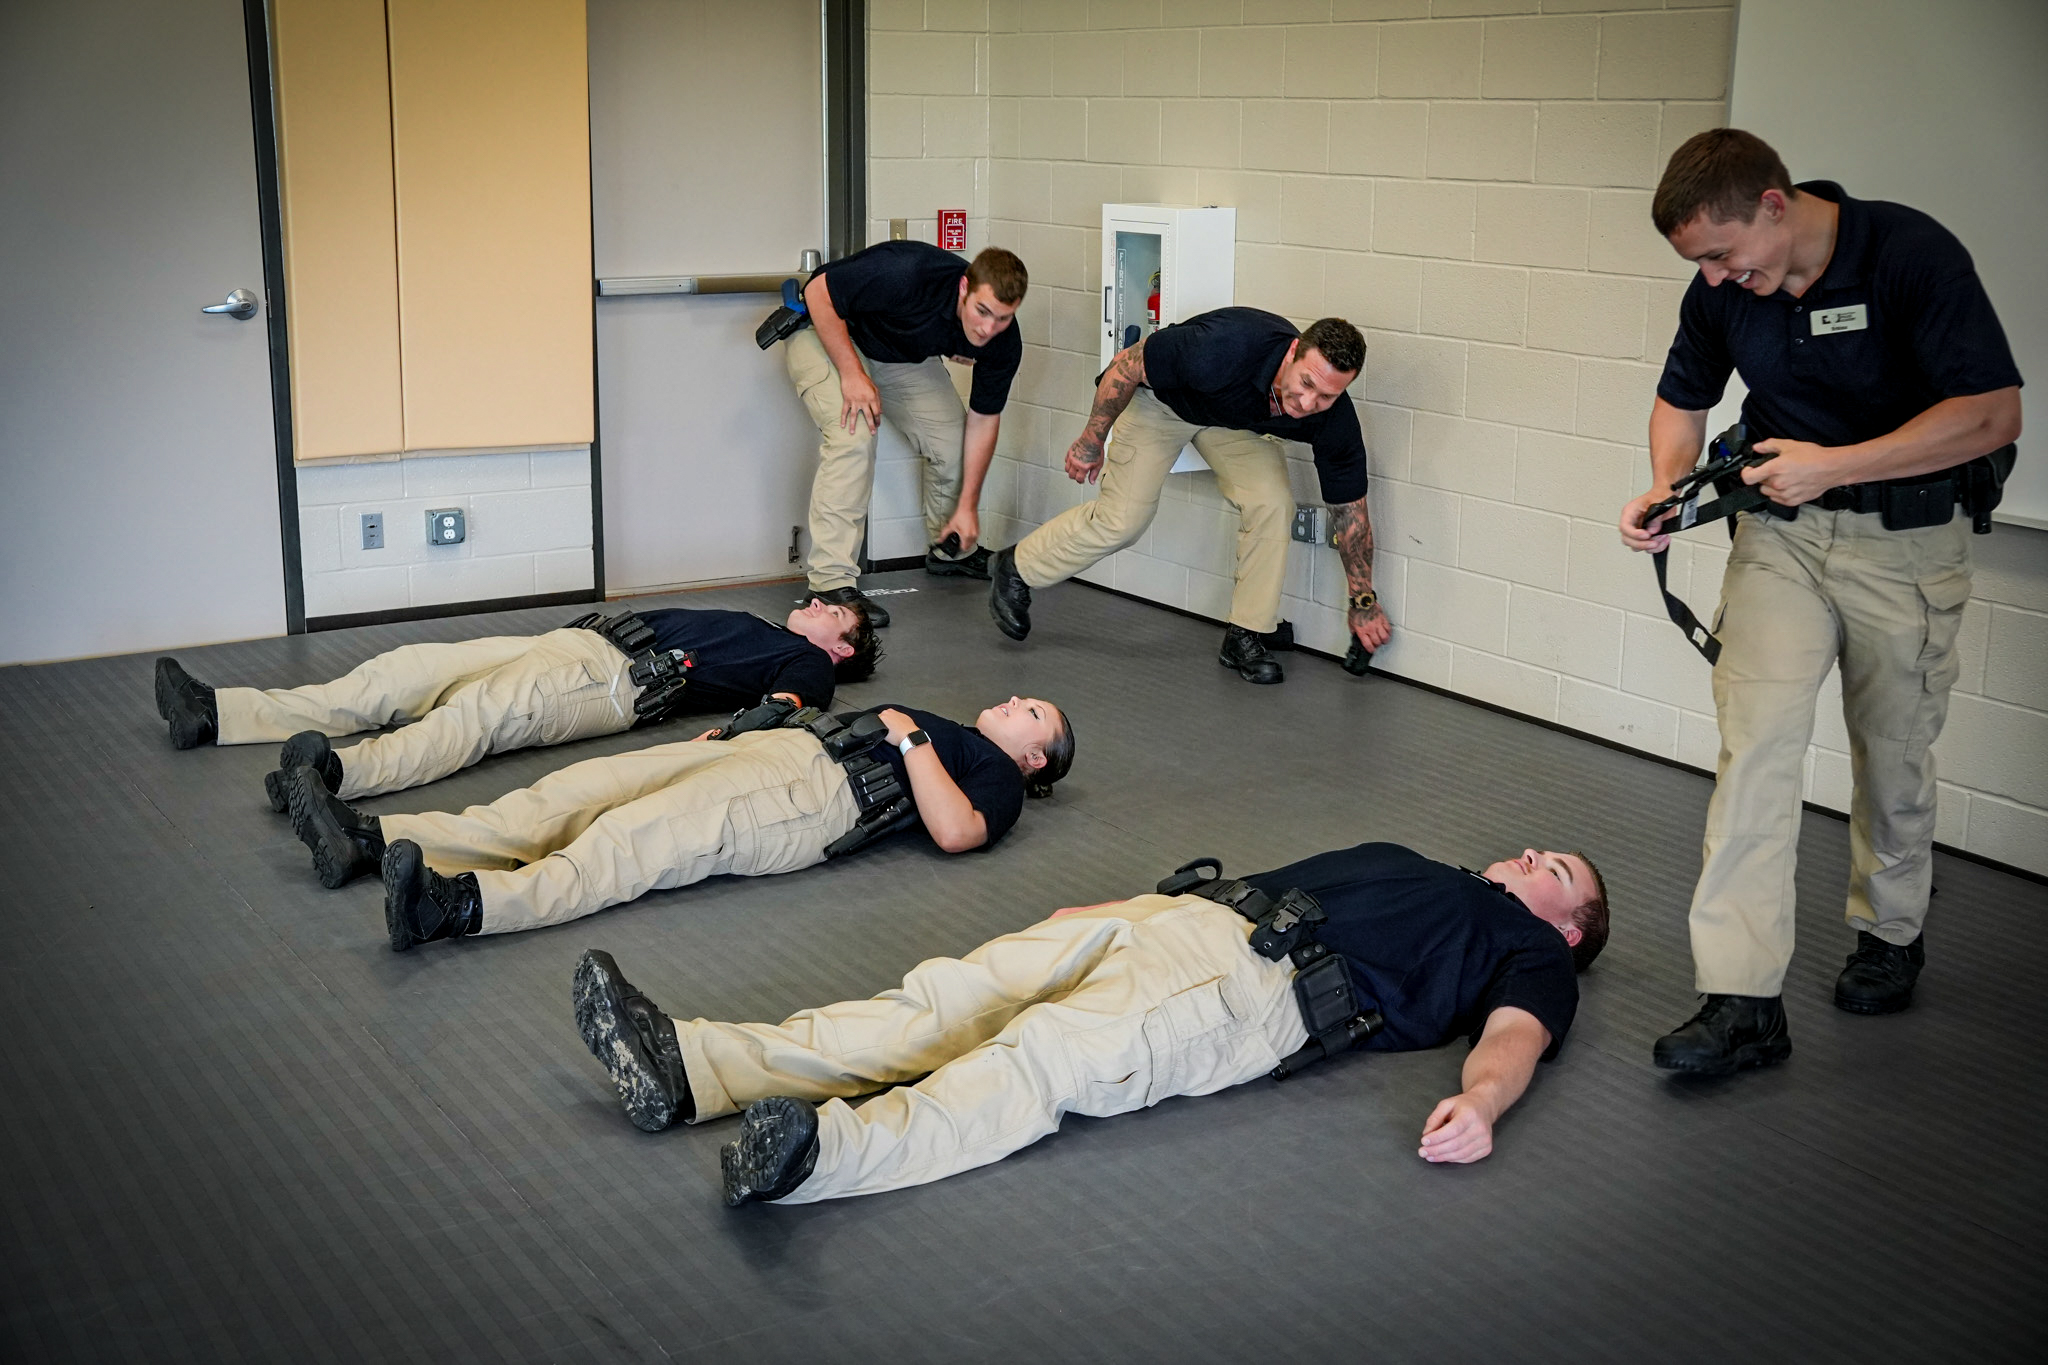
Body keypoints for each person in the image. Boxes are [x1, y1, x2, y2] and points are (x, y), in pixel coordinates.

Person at [1618, 129, 2023, 1074]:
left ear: (1773, 203)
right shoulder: (1721, 290)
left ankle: (1890, 930)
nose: (1715, 279)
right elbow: (1682, 400)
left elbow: (1993, 413)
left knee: (1893, 753)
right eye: (1697, 266)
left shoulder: (1910, 255)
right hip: (1779, 538)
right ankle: (1741, 997)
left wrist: (1834, 465)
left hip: (1908, 541)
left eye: (1721, 255)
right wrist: (1667, 487)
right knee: (1753, 748)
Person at [569, 840, 1609, 1207]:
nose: (1527, 859)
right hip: (1174, 918)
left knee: (1037, 1062)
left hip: (1249, 997)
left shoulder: (1524, 953)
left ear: (1565, 931)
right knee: (942, 998)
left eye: (1552, 872)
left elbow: (1513, 1036)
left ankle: (816, 1158)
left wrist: (1478, 1104)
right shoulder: (1426, 866)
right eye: (1535, 850)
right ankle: (695, 1067)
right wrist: (1116, 908)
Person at [280, 694, 1075, 939]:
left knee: (627, 845)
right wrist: (735, 733)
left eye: (1031, 713)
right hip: (769, 754)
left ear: (1036, 758)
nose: (1013, 702)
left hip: (809, 800)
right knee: (573, 793)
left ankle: (458, 907)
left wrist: (908, 739)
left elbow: (957, 831)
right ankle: (368, 837)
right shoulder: (962, 735)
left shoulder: (996, 776)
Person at [985, 310, 1392, 683]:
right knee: (1122, 521)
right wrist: (1092, 439)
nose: (1308, 404)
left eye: (1326, 396)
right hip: (1163, 405)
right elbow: (1127, 365)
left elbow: (1350, 516)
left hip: (1232, 423)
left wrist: (1363, 599)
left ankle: (1245, 635)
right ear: (1291, 353)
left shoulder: (1332, 419)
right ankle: (1016, 566)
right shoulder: (1221, 349)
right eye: (1305, 383)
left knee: (1272, 503)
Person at [152, 598, 878, 806]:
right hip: (577, 643)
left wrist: (718, 742)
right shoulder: (769, 627)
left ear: (843, 647)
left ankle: (338, 777)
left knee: (474, 719)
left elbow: (784, 710)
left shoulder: (811, 661)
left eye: (833, 612)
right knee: (404, 671)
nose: (815, 604)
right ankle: (220, 713)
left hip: (608, 682)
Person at [783, 241, 1029, 626]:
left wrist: (967, 506)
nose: (988, 328)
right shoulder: (908, 274)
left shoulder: (1002, 339)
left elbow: (984, 420)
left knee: (954, 443)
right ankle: (830, 583)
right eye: (982, 312)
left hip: (895, 354)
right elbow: (818, 292)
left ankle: (952, 550)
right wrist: (852, 375)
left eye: (1002, 318)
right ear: (964, 288)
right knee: (855, 434)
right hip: (825, 331)